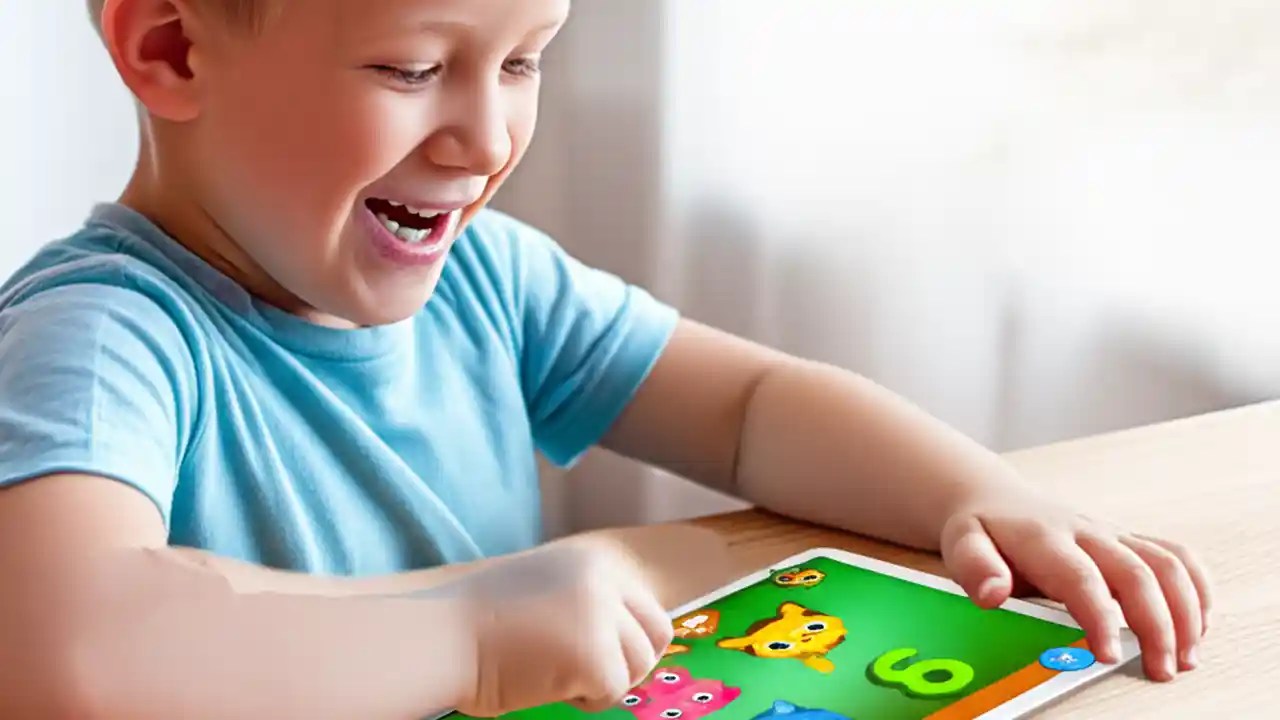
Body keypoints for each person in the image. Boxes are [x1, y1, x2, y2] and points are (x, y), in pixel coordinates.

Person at [0, 0, 1211, 717]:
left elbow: (744, 408)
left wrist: (976, 495)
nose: (487, 136)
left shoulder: (485, 279)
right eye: (412, 69)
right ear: (168, 46)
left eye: (524, 59)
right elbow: (63, 651)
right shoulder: (101, 340)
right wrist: (474, 633)